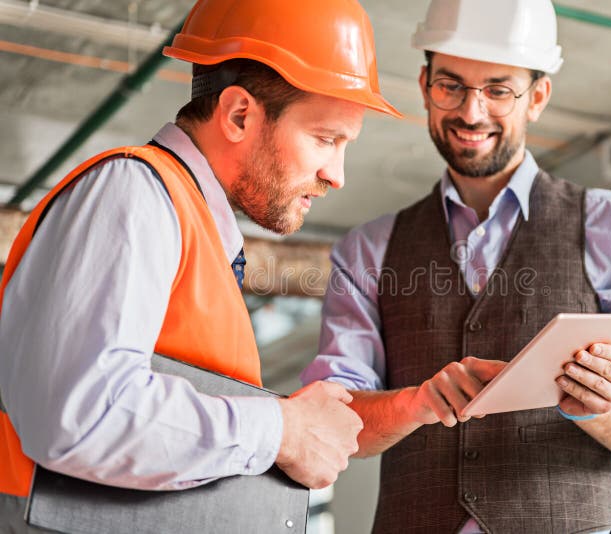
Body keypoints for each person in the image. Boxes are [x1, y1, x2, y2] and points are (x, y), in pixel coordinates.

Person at [0, 0, 401, 530]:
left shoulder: (196, 230)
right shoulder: (133, 193)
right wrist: (282, 430)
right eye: (326, 139)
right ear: (239, 115)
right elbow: (83, 414)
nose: (337, 175)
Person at [301, 0, 611, 532]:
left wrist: (608, 406)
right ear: (424, 85)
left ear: (537, 97)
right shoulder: (368, 251)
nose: (471, 111)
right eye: (451, 85)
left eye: (498, 89)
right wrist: (414, 403)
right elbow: (330, 421)